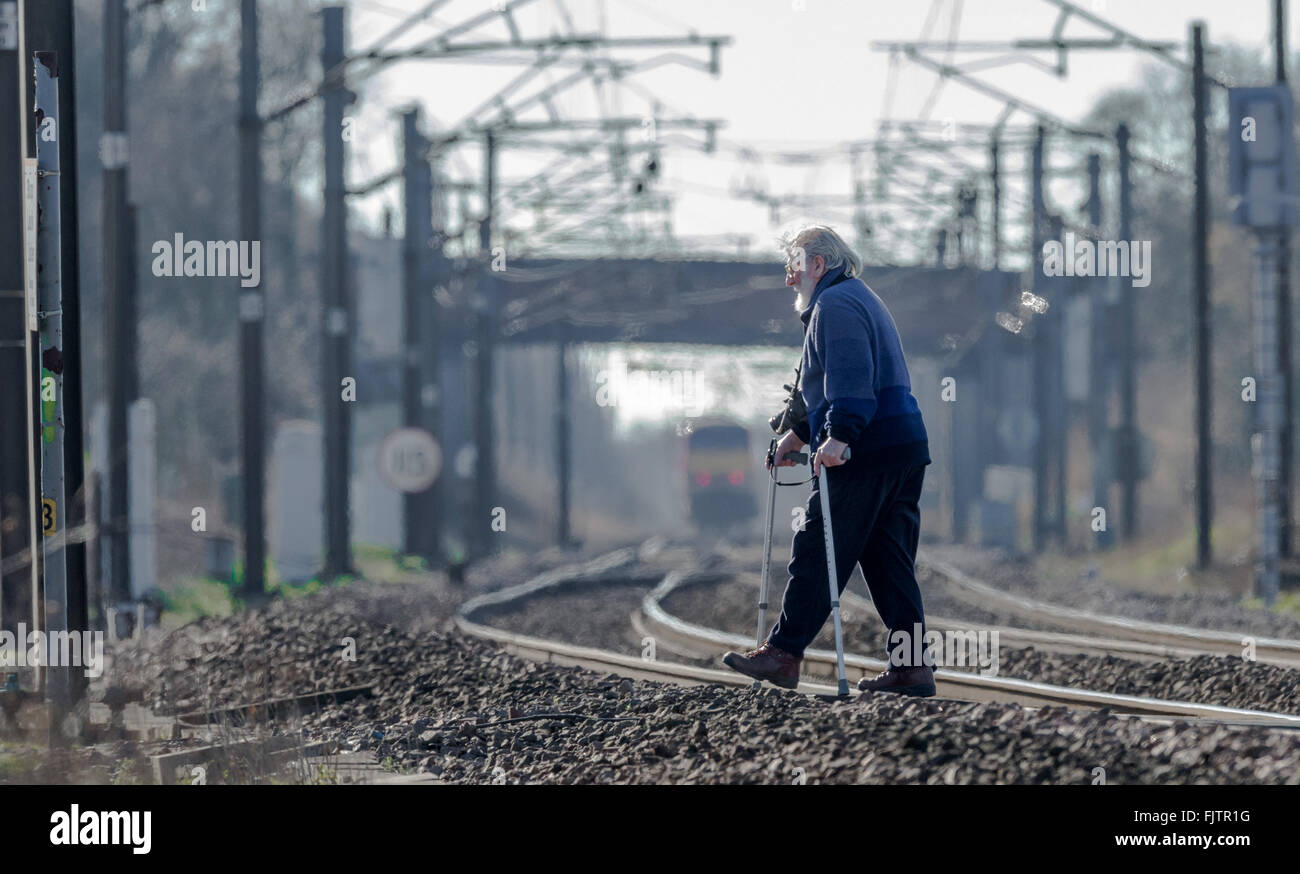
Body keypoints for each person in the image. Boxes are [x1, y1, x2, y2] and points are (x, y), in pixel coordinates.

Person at [723, 224, 936, 697]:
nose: (788, 280)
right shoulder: (855, 298)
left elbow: (852, 378)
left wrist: (839, 436)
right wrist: (799, 435)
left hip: (865, 451)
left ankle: (783, 654)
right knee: (888, 562)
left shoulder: (834, 306)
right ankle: (912, 667)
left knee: (819, 547)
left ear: (818, 264)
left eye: (793, 267)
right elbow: (842, 381)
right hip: (901, 447)